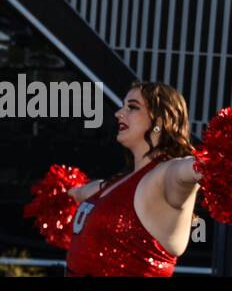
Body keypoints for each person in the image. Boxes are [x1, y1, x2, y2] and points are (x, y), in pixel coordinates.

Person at [63, 81, 202, 277]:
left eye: (133, 107)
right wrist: (57, 191)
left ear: (160, 121)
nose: (119, 113)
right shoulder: (115, 183)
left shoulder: (166, 173)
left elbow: (191, 169)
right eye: (123, 106)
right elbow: (76, 192)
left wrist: (221, 160)